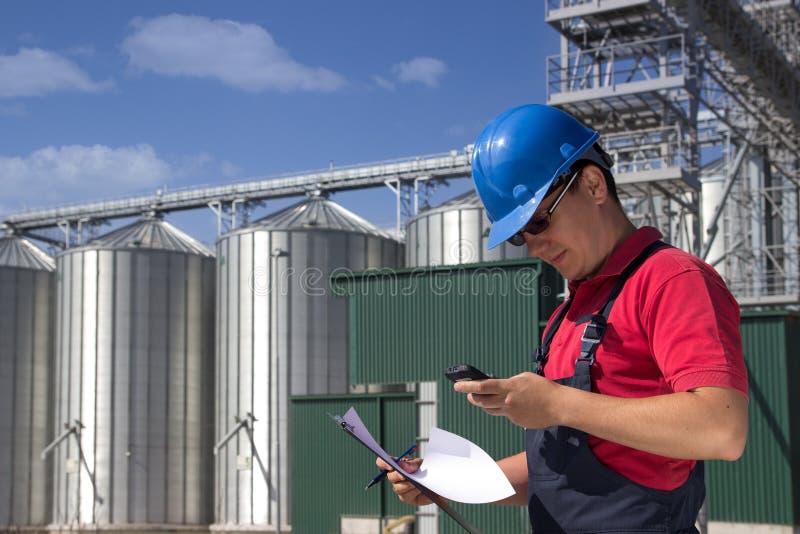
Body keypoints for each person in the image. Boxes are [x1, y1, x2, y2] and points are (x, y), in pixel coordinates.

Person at [377, 104, 749, 533]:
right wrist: (447, 482)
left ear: (592, 185)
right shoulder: (568, 314)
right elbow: (557, 474)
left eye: (539, 220)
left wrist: (558, 403)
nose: (534, 246)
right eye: (521, 235)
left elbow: (722, 427)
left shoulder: (671, 280)